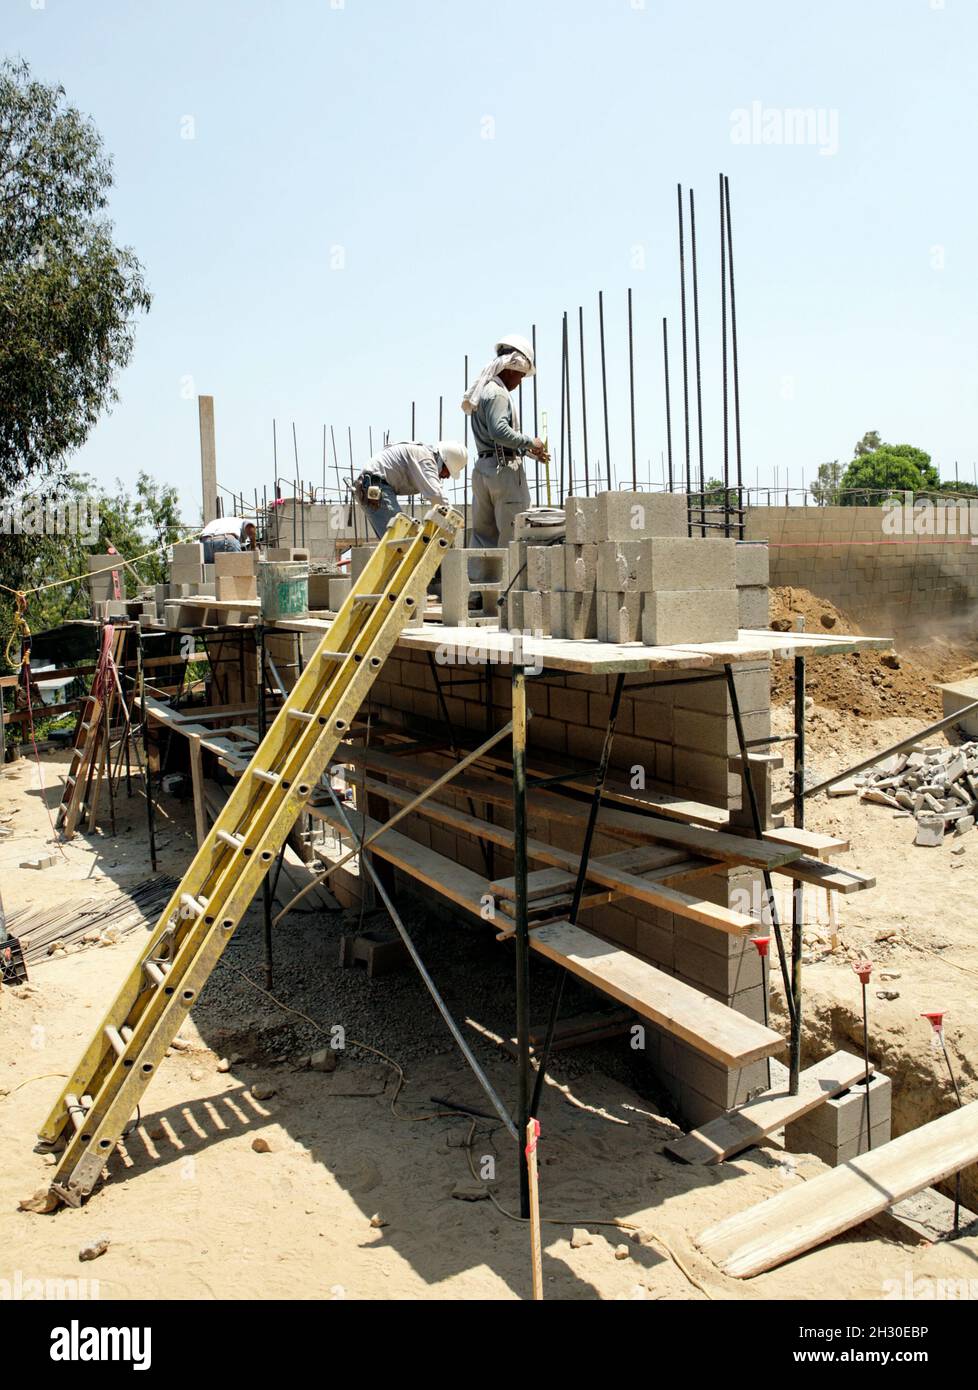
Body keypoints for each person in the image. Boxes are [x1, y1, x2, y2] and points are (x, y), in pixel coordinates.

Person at [462, 333, 548, 553]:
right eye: (520, 375)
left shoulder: (483, 392)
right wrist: (532, 441)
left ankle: (481, 587)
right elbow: (499, 432)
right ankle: (509, 586)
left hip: (483, 471)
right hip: (503, 474)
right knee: (514, 538)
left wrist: (529, 451)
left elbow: (494, 438)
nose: (519, 382)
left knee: (483, 541)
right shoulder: (497, 394)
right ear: (511, 369)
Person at [354, 440, 467, 540]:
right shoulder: (426, 459)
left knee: (394, 539)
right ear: (445, 462)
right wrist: (455, 520)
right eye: (449, 472)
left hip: (370, 487)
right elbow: (436, 495)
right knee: (399, 537)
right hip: (376, 487)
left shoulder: (421, 454)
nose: (447, 477)